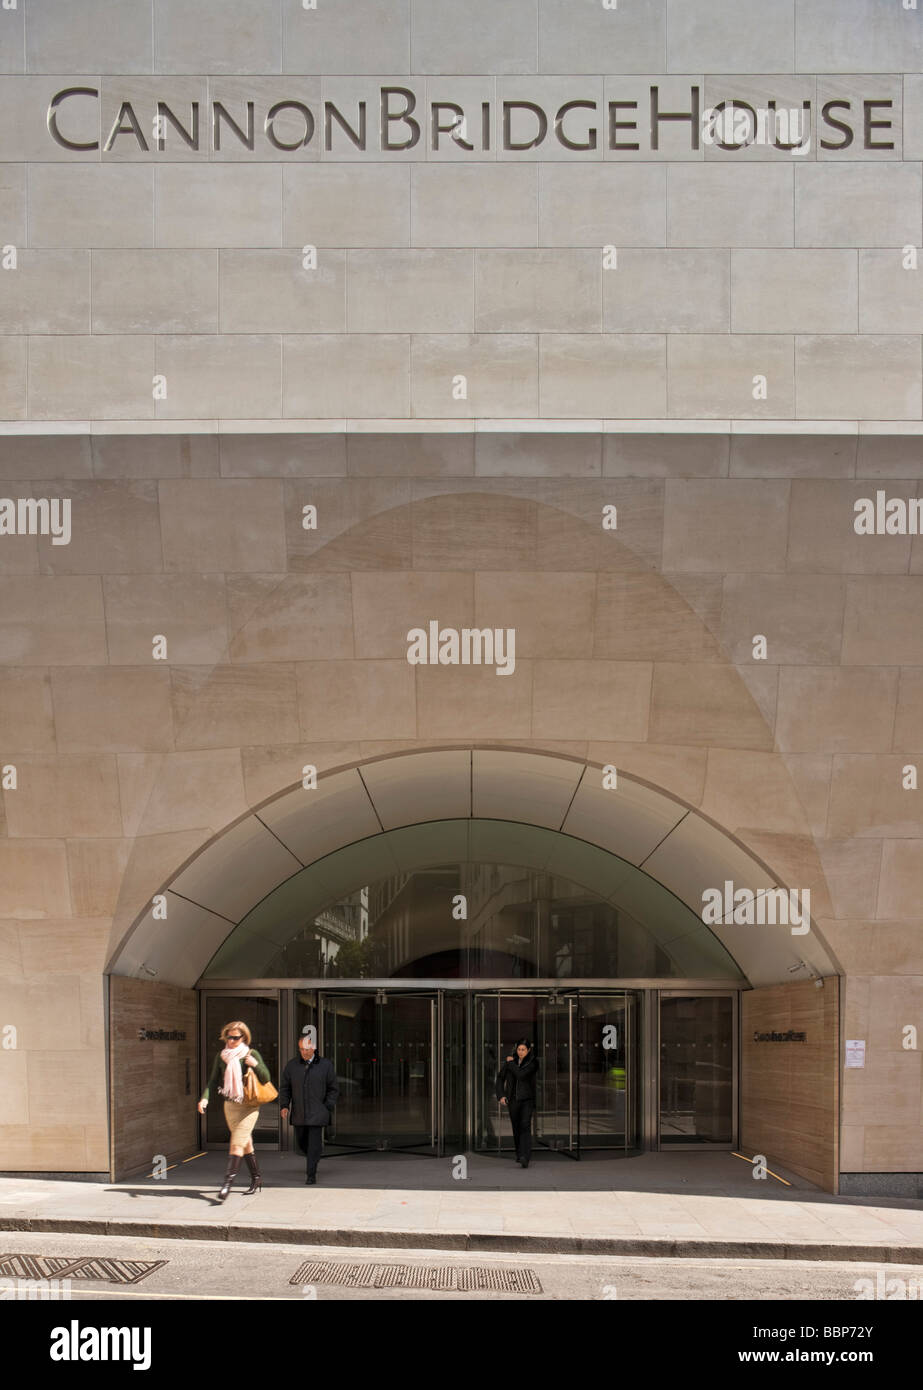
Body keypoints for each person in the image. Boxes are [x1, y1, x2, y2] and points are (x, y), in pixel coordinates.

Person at [197, 1020, 272, 1201]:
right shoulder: (221, 1056)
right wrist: (205, 1098)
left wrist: (255, 1064)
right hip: (230, 1105)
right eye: (228, 1037)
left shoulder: (251, 1054)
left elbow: (266, 1077)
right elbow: (213, 1080)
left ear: (244, 1037)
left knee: (237, 1142)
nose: (231, 1041)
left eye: (235, 1038)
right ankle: (257, 1178)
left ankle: (227, 1184)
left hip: (249, 1106)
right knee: (245, 1142)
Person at [279, 1031, 340, 1184]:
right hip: (299, 1113)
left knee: (313, 1143)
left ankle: (311, 1174)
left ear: (313, 1048)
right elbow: (285, 1087)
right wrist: (284, 1105)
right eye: (301, 1049)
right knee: (301, 1143)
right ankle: (314, 1156)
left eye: (306, 1049)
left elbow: (333, 1088)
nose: (304, 1052)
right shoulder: (292, 1065)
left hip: (318, 1113)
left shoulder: (325, 1065)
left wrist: (327, 1106)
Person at [496, 1037, 538, 1168]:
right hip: (512, 1100)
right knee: (516, 1127)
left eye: (523, 1050)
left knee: (525, 1125)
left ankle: (525, 1156)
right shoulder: (511, 1062)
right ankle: (519, 1154)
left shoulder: (533, 1062)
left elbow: (521, 1075)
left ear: (528, 1050)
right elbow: (500, 1078)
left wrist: (511, 1063)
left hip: (527, 1099)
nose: (520, 1052)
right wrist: (501, 1095)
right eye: (519, 1049)